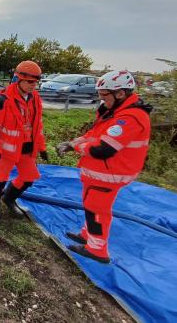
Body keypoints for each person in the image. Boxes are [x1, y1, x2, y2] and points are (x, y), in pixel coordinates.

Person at [57, 70, 152, 263]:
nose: (102, 100)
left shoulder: (130, 118)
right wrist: (72, 143)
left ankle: (97, 250)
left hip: (110, 172)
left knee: (97, 209)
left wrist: (77, 147)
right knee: (91, 204)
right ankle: (88, 235)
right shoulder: (115, 113)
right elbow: (94, 134)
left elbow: (103, 149)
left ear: (120, 93)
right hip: (100, 173)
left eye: (104, 96)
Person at [0, 60, 48, 222]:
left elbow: (37, 125)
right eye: (30, 82)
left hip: (27, 149)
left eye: (35, 82)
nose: (33, 86)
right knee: (0, 179)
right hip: (6, 150)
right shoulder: (3, 100)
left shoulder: (35, 99)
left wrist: (41, 147)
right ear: (19, 79)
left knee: (29, 177)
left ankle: (9, 199)